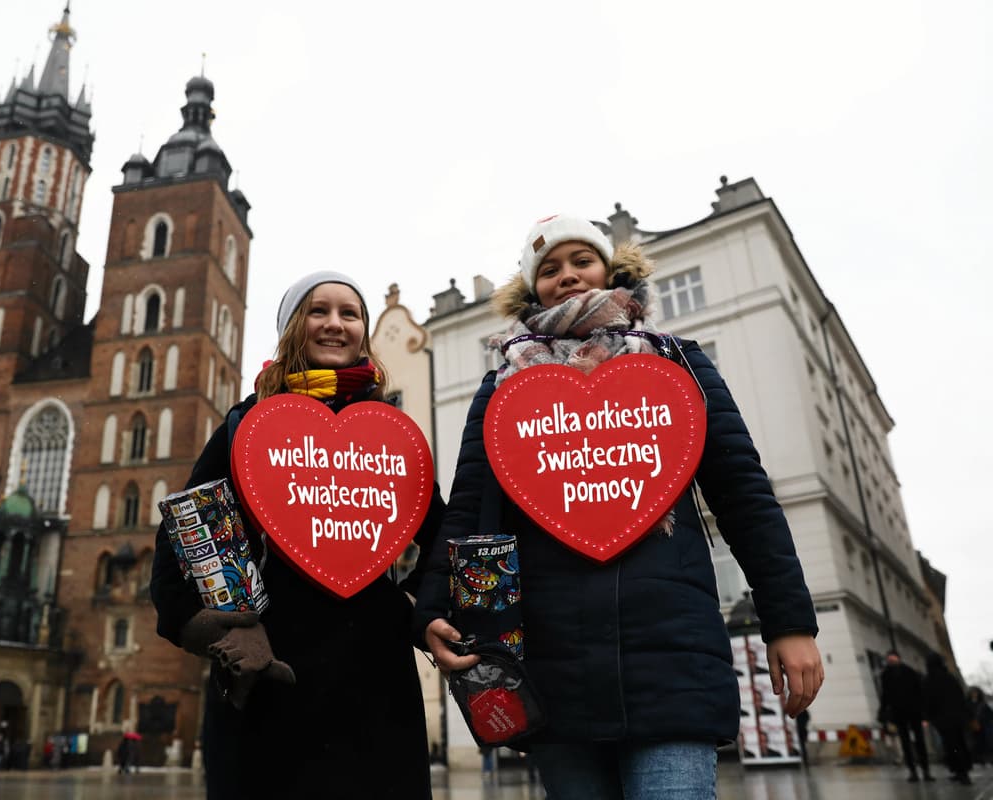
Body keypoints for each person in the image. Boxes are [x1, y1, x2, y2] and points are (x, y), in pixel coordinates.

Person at [415, 215, 824, 799]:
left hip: (671, 659)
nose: (568, 277)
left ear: (611, 267)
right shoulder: (503, 387)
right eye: (549, 270)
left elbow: (742, 493)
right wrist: (433, 604)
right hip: (552, 667)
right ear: (534, 290)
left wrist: (788, 621)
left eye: (581, 259)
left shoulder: (676, 364)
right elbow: (470, 509)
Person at [151, 271, 443, 800]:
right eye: (318, 311)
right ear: (291, 328)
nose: (335, 324)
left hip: (374, 680)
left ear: (363, 331)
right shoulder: (248, 423)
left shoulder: (388, 430)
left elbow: (442, 535)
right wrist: (222, 634)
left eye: (349, 314)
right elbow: (180, 540)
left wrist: (412, 609)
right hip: (270, 671)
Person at [878, 650, 934, 782]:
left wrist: (923, 714)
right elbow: (885, 696)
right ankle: (913, 770)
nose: (891, 661)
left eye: (893, 658)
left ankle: (925, 770)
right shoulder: (886, 675)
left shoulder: (909, 672)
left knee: (918, 742)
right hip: (899, 713)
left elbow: (919, 693)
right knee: (906, 742)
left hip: (913, 712)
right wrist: (883, 712)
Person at [923, 652, 972, 785]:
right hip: (955, 717)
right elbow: (960, 697)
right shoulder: (949, 678)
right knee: (959, 743)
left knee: (951, 745)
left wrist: (928, 716)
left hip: (943, 719)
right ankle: (962, 770)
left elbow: (928, 701)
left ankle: (960, 771)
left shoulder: (930, 679)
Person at [968, 687, 993, 766]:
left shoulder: (982, 704)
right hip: (972, 725)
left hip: (983, 726)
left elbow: (989, 714)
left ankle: (984, 758)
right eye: (973, 693)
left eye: (975, 693)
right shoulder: (968, 703)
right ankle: (978, 758)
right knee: (975, 742)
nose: (974, 694)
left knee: (984, 742)